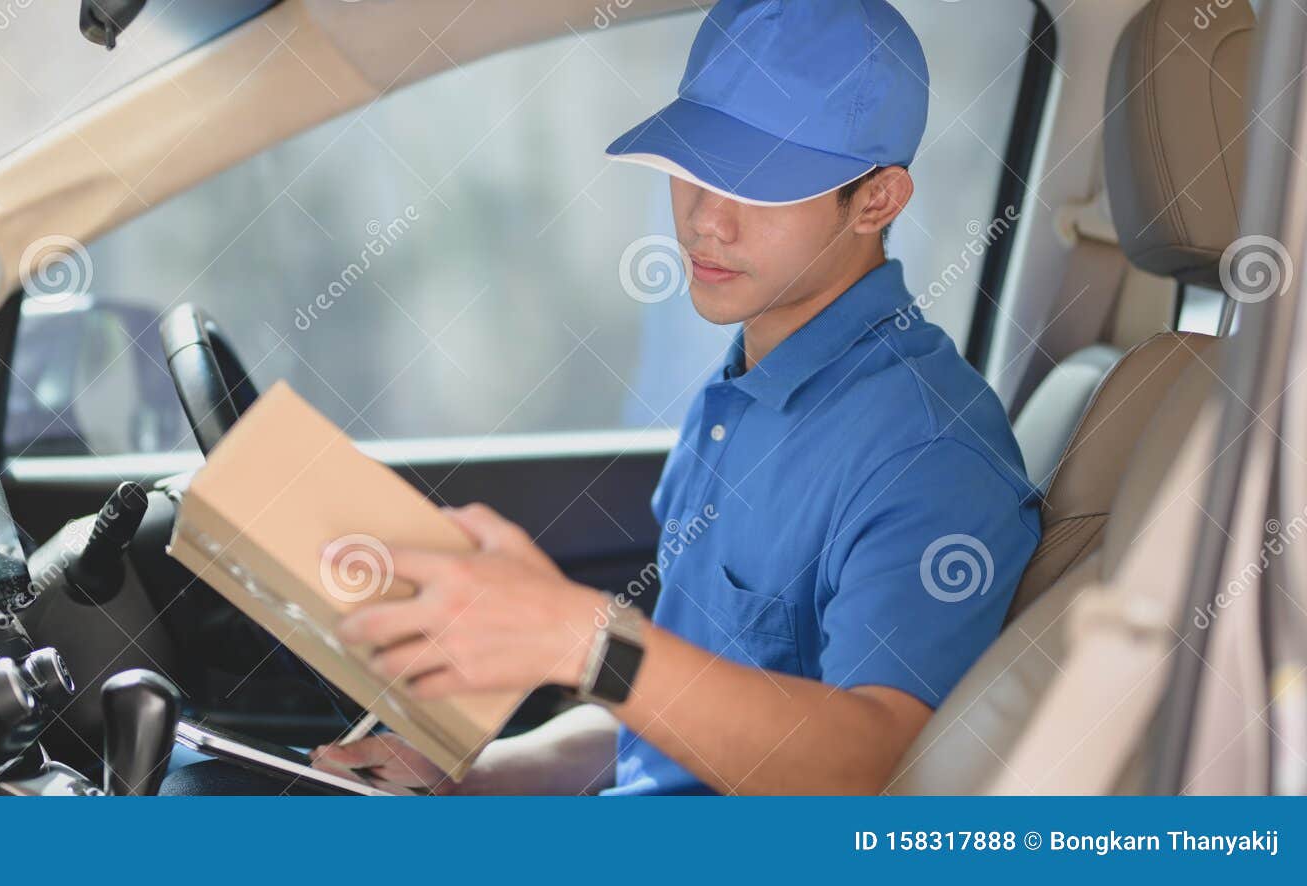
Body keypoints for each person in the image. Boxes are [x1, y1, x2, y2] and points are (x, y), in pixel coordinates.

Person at [310, 0, 1040, 796]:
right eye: (696, 166)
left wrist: (587, 639)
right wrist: (481, 777)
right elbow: (671, 725)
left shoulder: (929, 455)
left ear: (878, 201)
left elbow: (875, 769)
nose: (705, 222)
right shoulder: (743, 389)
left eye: (762, 182)